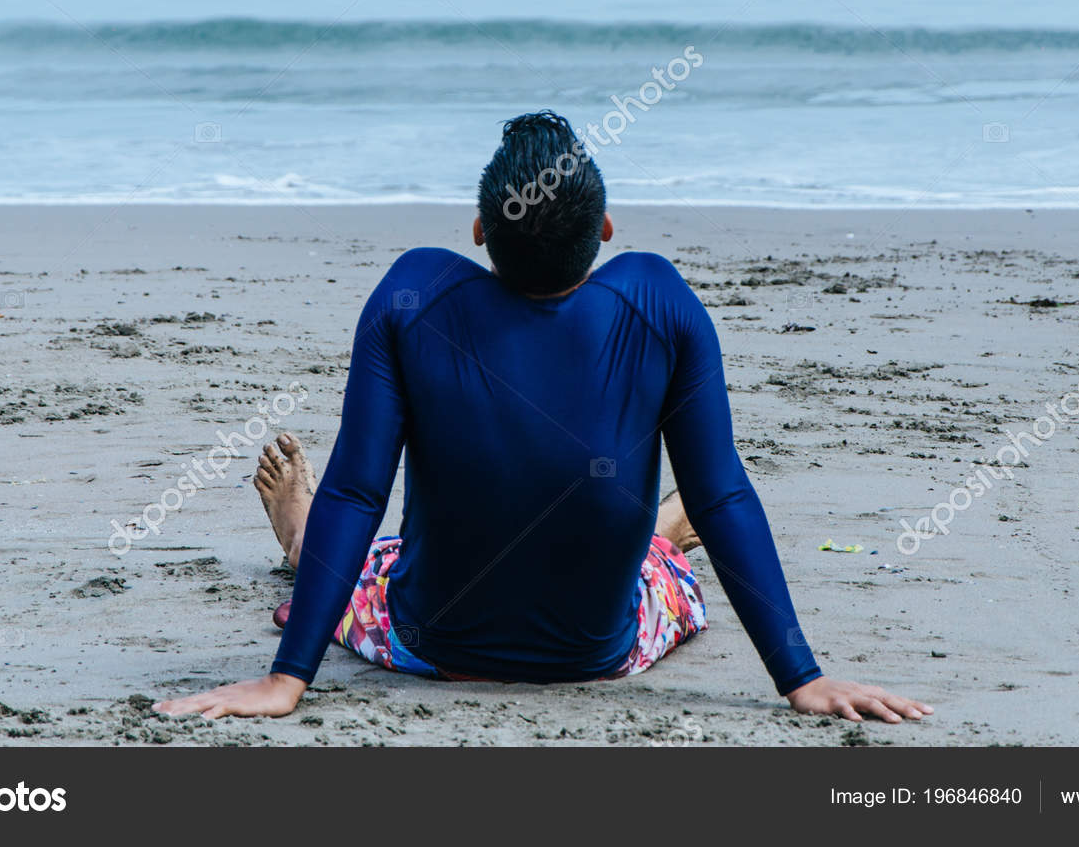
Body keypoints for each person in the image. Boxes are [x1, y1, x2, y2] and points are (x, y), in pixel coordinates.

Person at [156, 112, 932, 724]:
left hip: (427, 646)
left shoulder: (414, 293)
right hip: (605, 651)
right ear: (604, 230)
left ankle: (298, 540)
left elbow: (357, 492)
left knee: (368, 552)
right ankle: (662, 533)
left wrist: (288, 678)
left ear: (479, 231)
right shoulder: (658, 298)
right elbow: (726, 495)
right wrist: (802, 676)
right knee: (669, 561)